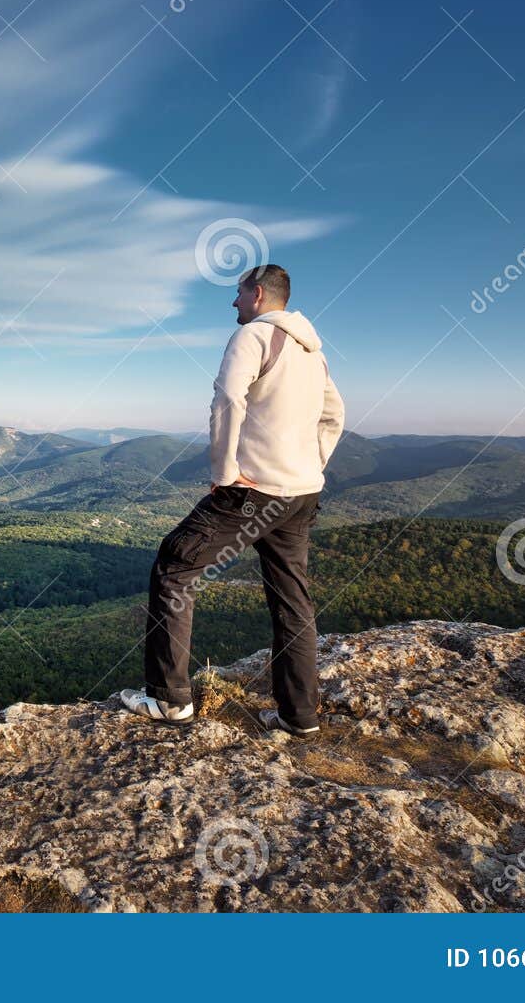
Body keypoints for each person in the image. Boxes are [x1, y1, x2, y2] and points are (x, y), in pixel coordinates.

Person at [117, 263, 345, 735]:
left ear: (258, 294)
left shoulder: (255, 337)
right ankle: (298, 716)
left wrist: (224, 473)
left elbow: (227, 400)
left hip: (252, 489)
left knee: (175, 567)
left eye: (238, 295)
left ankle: (169, 699)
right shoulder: (312, 351)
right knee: (292, 600)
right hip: (301, 492)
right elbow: (334, 415)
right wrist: (311, 465)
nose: (234, 303)